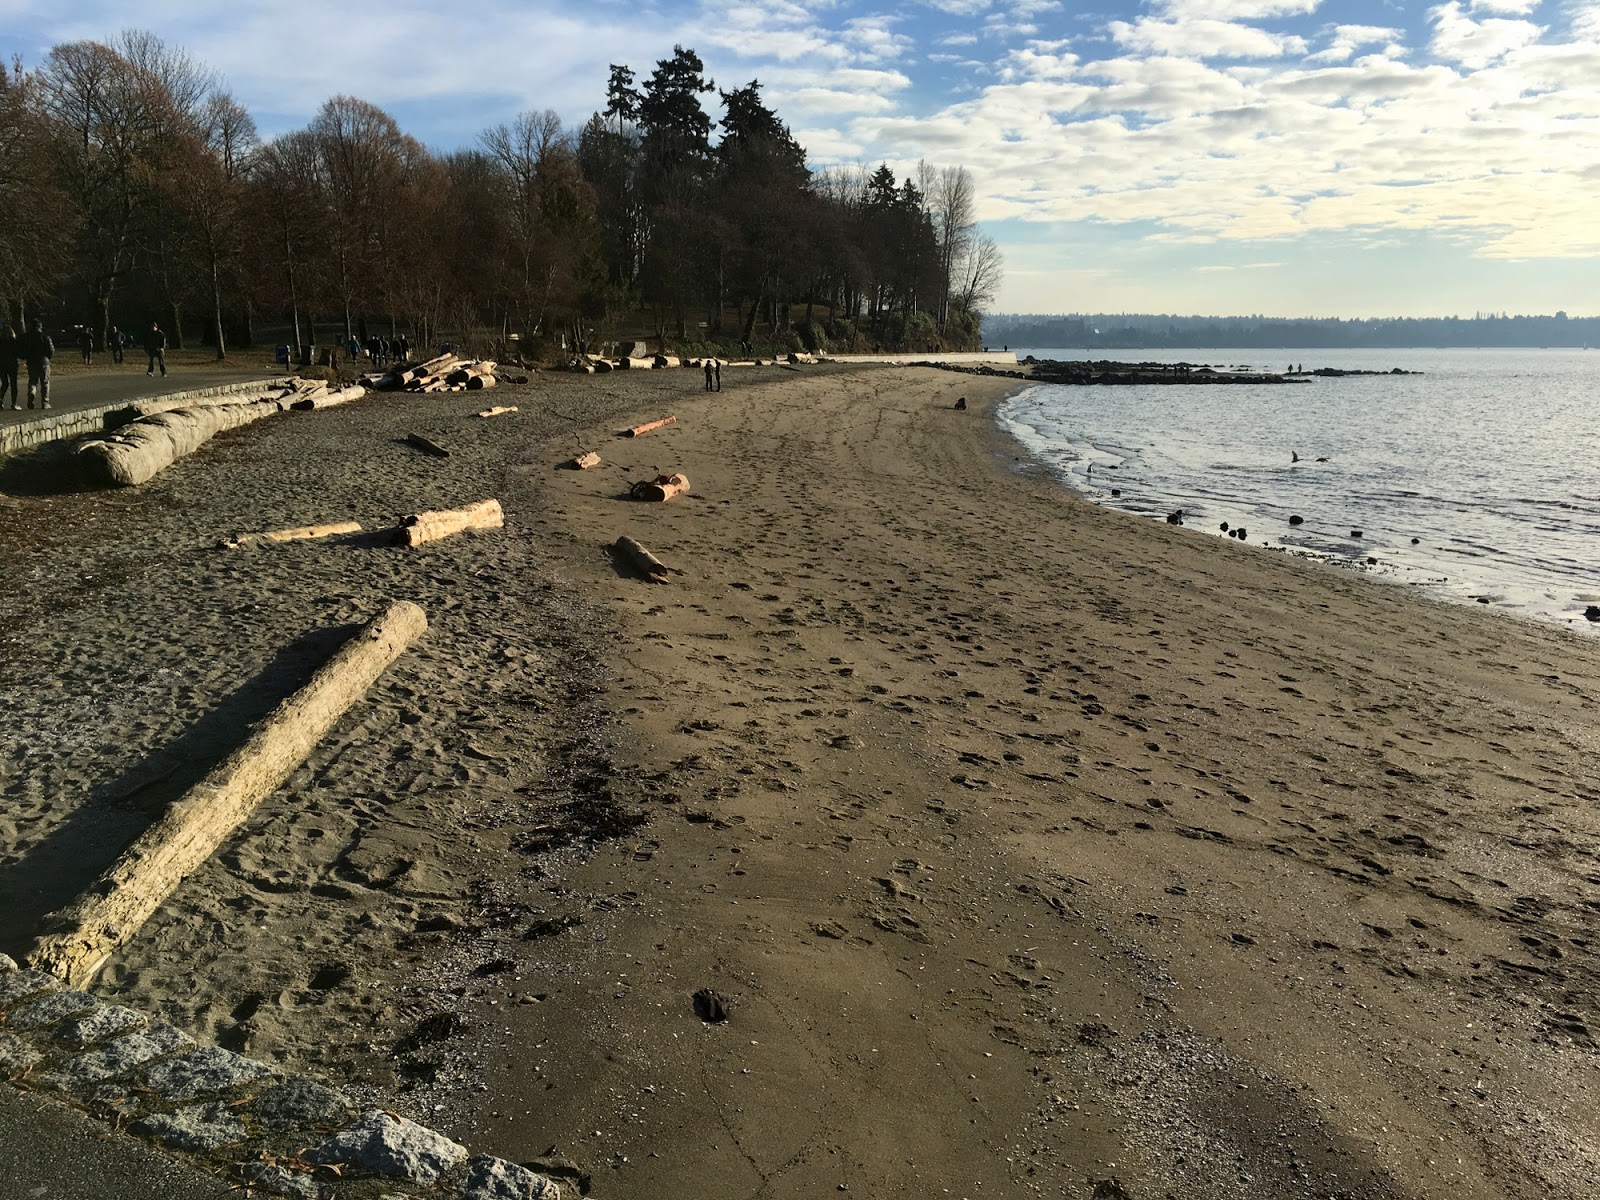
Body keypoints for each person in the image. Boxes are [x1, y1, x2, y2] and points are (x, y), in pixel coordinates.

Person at [21, 318, 53, 408]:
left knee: (33, 381)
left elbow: (23, 349)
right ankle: (45, 402)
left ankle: (32, 392)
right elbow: (51, 350)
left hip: (31, 362)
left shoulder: (27, 337)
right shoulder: (44, 337)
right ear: (40, 326)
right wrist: (48, 358)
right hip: (43, 361)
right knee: (45, 382)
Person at [0, 321, 18, 409]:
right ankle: (14, 403)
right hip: (12, 364)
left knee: (5, 383)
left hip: (1, 364)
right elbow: (18, 352)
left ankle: (0, 400)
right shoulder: (13, 341)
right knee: (13, 384)